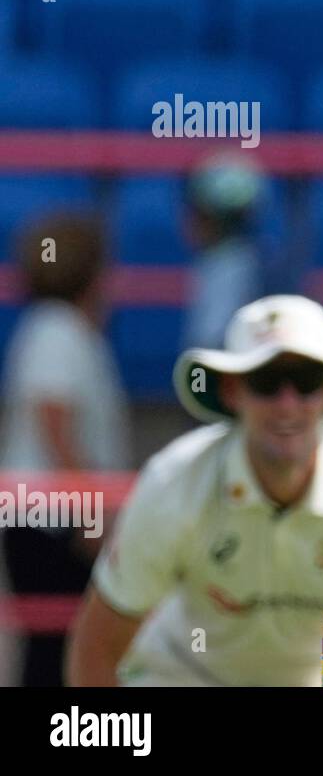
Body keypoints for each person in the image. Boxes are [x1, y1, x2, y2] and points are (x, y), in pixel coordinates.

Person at [65, 295, 323, 686]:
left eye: (306, 380)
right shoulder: (173, 481)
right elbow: (96, 647)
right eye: (265, 381)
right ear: (232, 390)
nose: (287, 404)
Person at [0, 214, 130, 686]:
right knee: (54, 648)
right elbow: (55, 426)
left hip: (50, 516)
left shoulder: (59, 330)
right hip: (49, 521)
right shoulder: (56, 331)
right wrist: (88, 513)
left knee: (60, 646)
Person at [182, 154, 268, 349]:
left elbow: (209, 350)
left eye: (199, 212)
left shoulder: (232, 268)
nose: (190, 219)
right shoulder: (221, 263)